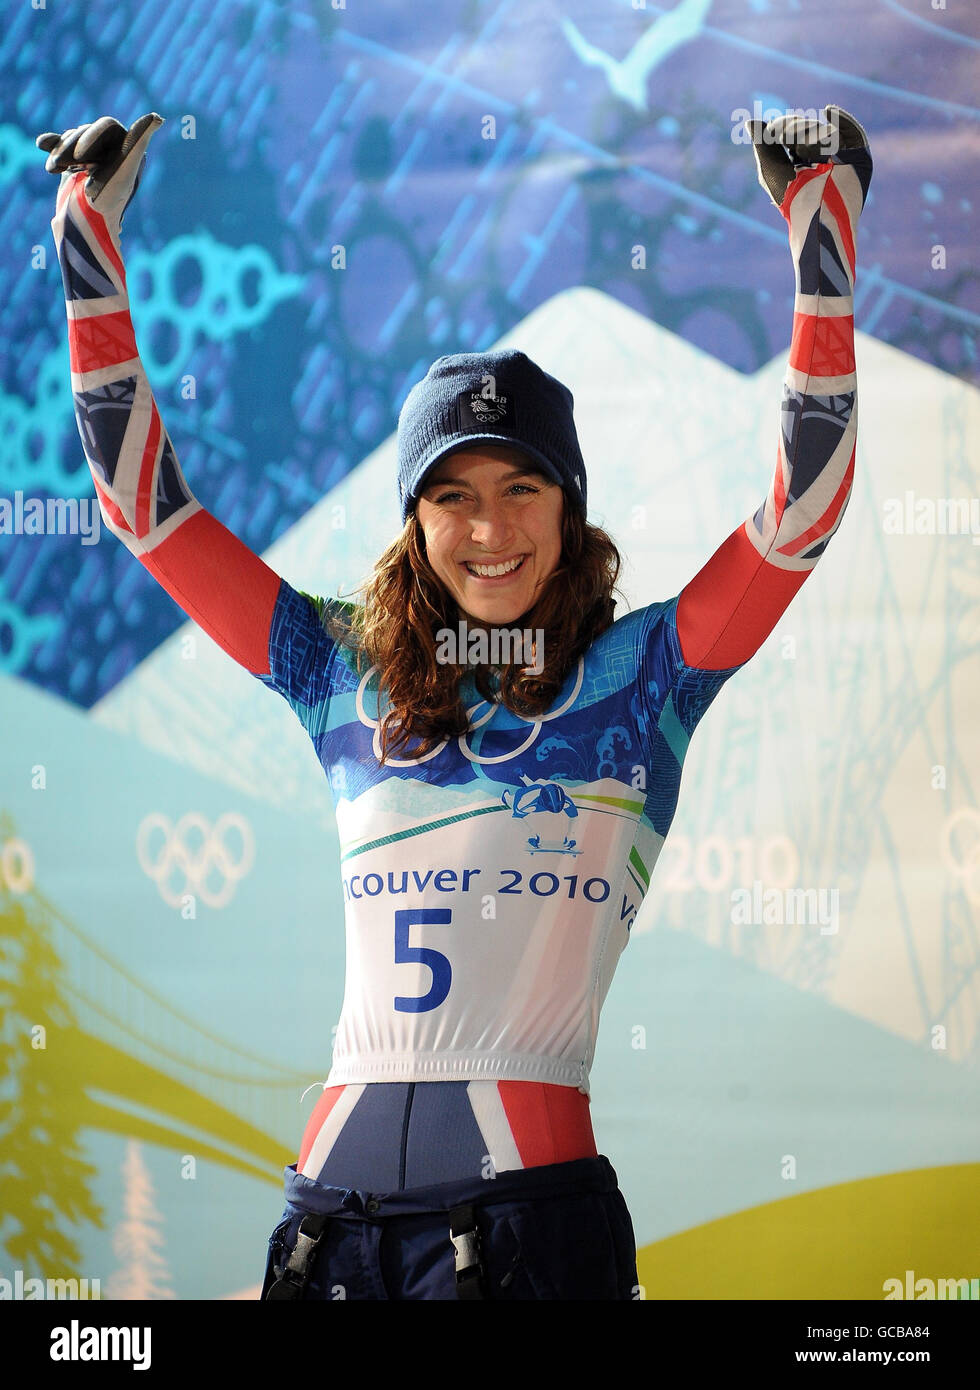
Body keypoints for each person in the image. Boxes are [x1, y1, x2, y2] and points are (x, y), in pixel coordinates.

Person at [35, 105, 873, 1300]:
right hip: (324, 1225)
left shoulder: (644, 679)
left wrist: (820, 235)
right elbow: (145, 510)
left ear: (569, 504)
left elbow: (801, 512)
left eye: (521, 486)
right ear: (413, 522)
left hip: (524, 1228)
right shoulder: (336, 667)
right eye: (450, 496)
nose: (488, 529)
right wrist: (86, 247)